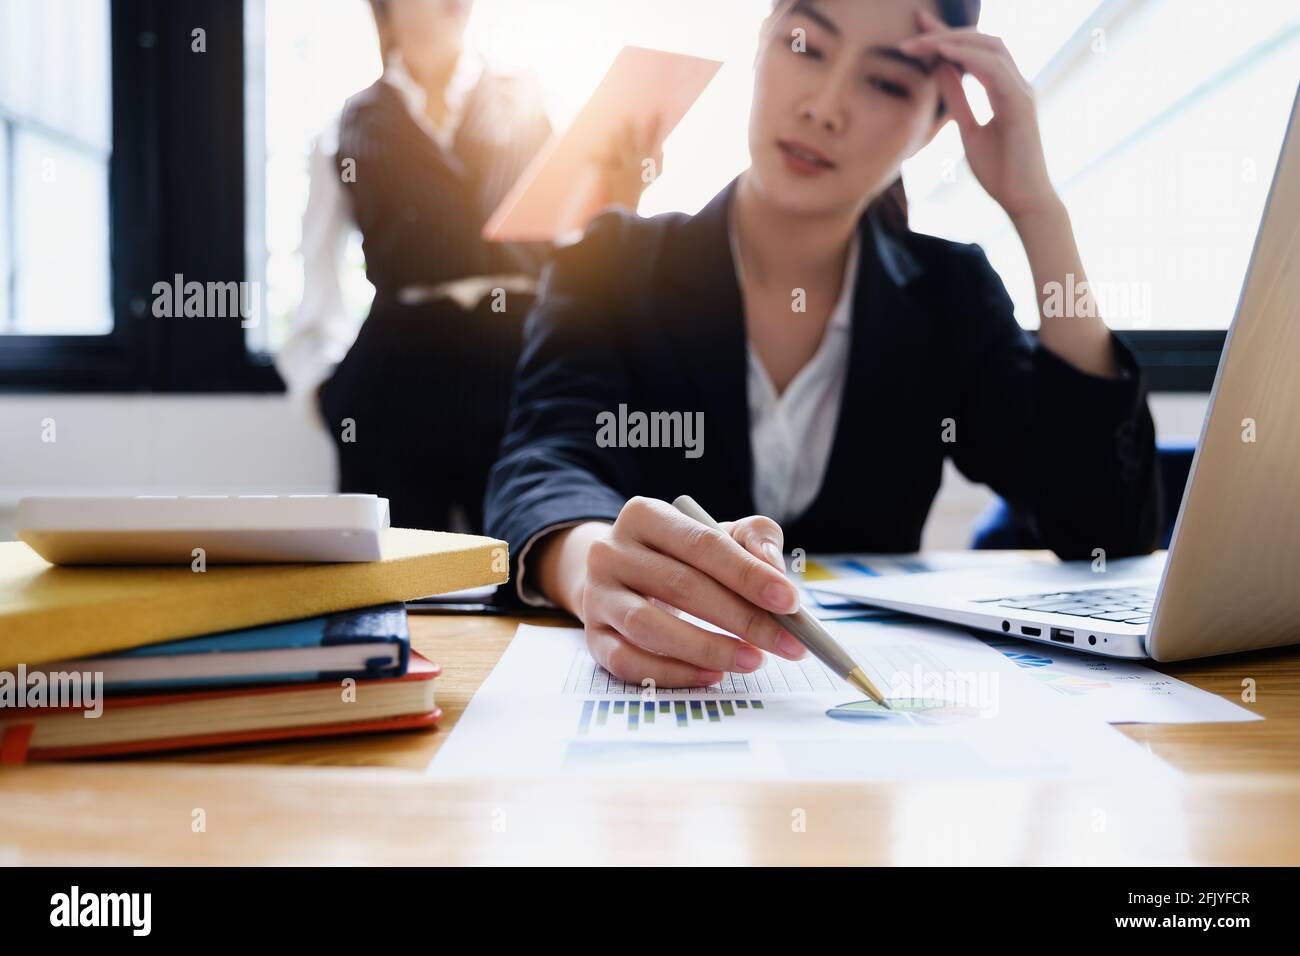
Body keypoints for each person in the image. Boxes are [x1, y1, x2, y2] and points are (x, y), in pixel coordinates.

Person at [486, 0, 1160, 687]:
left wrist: (1037, 209)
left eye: (886, 82)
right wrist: (593, 567)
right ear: (762, 42)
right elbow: (543, 464)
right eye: (806, 47)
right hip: (666, 703)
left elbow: (1104, 528)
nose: (825, 107)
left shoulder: (949, 294)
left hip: (866, 709)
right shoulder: (612, 262)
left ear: (935, 125)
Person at [278, 0, 655, 532]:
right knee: (398, 566)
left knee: (525, 550)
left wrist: (621, 203)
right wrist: (323, 390)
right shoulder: (346, 126)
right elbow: (316, 276)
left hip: (518, 359)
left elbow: (577, 251)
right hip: (396, 375)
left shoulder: (533, 101)